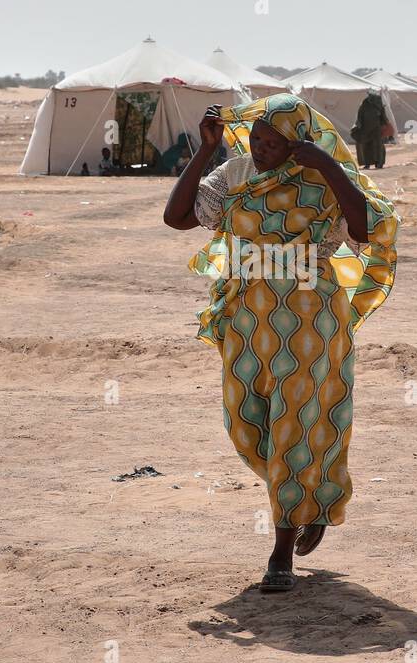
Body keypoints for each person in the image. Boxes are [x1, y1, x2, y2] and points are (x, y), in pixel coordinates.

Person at [162, 93, 399, 593]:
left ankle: (281, 552)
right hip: (247, 318)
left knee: (294, 426)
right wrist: (205, 150)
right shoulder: (237, 174)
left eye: (274, 142)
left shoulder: (325, 178)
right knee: (246, 425)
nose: (262, 149)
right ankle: (308, 496)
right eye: (257, 138)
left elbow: (367, 230)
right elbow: (178, 217)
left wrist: (328, 166)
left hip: (312, 321)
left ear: (298, 143)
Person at [353, 90, 389, 169]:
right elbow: (360, 115)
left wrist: (385, 126)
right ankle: (367, 163)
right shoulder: (365, 104)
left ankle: (379, 163)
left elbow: (383, 117)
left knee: (378, 147)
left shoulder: (379, 105)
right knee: (366, 147)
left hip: (377, 130)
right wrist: (358, 124)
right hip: (366, 129)